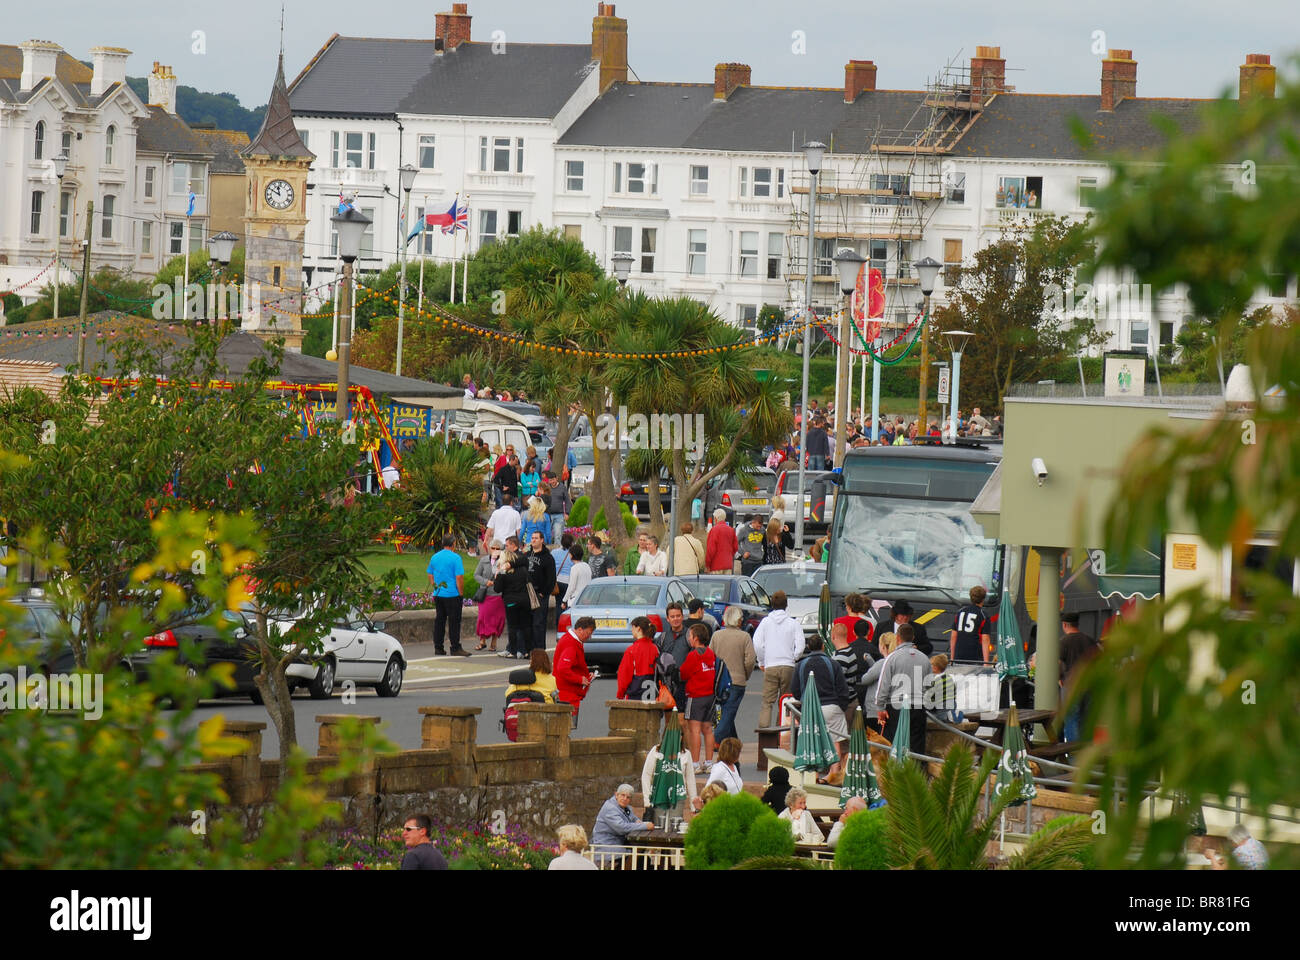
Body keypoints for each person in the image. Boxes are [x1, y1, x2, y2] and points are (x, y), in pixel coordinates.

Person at [794, 634, 853, 783]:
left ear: (808, 647)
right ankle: (834, 773)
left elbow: (795, 689)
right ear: (823, 646)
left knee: (812, 739)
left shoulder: (800, 665)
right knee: (835, 740)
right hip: (832, 706)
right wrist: (842, 705)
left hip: (810, 707)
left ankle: (813, 775)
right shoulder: (832, 663)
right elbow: (842, 687)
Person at [874, 623, 931, 756]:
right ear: (913, 638)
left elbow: (883, 684)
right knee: (917, 745)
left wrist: (880, 708)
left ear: (898, 638)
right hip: (918, 705)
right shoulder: (924, 659)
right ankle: (917, 772)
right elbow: (929, 685)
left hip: (896, 706)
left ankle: (895, 773)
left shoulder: (892, 658)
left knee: (896, 743)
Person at [753, 590, 805, 728]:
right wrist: (794, 657)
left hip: (770, 665)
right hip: (788, 665)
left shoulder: (765, 623)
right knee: (786, 701)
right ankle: (782, 730)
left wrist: (762, 661)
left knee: (767, 702)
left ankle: (764, 731)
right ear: (786, 605)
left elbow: (757, 643)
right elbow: (801, 645)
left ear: (772, 604)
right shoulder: (793, 623)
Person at [711, 605, 757, 745]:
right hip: (737, 681)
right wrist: (745, 675)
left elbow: (710, 657)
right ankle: (715, 741)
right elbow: (750, 660)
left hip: (719, 681)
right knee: (728, 715)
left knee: (726, 715)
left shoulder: (716, 635)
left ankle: (734, 748)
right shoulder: (744, 637)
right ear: (738, 620)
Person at [679, 623, 718, 773]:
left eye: (690, 636)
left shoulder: (693, 655)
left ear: (695, 638)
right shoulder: (710, 653)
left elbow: (684, 674)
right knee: (708, 729)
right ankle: (708, 762)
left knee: (694, 730)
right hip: (710, 695)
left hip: (695, 696)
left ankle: (695, 763)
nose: (689, 638)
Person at [1059, 612, 1101, 742]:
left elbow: (1058, 663)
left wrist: (1059, 679)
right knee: (1087, 720)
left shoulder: (1064, 641)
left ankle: (1073, 757)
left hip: (1071, 686)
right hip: (1090, 685)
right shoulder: (1089, 640)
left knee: (1072, 719)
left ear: (1065, 624)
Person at [640, 728, 702, 814]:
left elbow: (690, 780)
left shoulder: (686, 754)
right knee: (659, 824)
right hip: (658, 795)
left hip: (677, 797)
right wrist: (647, 800)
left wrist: (693, 806)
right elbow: (646, 775)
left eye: (680, 735)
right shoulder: (656, 751)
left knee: (675, 825)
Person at [427, 535, 470, 656]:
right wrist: (461, 593)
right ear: (453, 544)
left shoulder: (435, 556)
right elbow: (459, 577)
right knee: (454, 621)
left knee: (440, 620)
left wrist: (434, 585)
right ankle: (455, 647)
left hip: (439, 593)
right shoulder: (456, 558)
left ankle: (438, 646)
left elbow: (430, 573)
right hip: (452, 594)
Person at [591, 784, 655, 858]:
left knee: (641, 856)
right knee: (637, 856)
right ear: (616, 795)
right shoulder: (610, 808)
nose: (625, 799)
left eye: (628, 797)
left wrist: (638, 822)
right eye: (623, 795)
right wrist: (645, 826)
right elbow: (622, 828)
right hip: (606, 847)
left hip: (619, 843)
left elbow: (633, 818)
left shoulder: (625, 807)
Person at [493, 547, 533, 660]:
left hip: (511, 601)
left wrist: (497, 576)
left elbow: (497, 589)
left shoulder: (503, 572)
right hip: (525, 601)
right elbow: (529, 580)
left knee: (513, 627)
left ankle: (513, 650)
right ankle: (527, 651)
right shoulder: (523, 570)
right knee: (526, 626)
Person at [554, 616, 595, 722]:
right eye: (588, 633)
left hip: (566, 691)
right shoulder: (571, 644)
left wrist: (584, 675)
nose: (589, 637)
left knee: (563, 726)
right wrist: (580, 679)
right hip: (567, 693)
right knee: (564, 726)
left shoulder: (571, 640)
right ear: (580, 629)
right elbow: (563, 669)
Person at [617, 617, 661, 701]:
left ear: (638, 629)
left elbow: (624, 674)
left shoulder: (631, 650)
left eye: (632, 628)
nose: (631, 630)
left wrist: (620, 693)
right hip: (652, 692)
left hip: (635, 692)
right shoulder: (655, 648)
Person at [473, 541, 506, 652]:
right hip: (485, 594)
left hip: (498, 595)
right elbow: (476, 575)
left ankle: (494, 642)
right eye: (493, 547)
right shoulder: (484, 560)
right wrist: (485, 581)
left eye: (498, 548)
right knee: (483, 617)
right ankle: (482, 641)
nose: (495, 550)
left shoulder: (504, 562)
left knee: (497, 619)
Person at [526, 530, 556, 653]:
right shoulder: (527, 555)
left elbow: (551, 578)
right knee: (528, 623)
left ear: (542, 540)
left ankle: (539, 651)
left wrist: (544, 592)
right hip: (527, 592)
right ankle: (529, 649)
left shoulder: (548, 558)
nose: (533, 540)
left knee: (539, 623)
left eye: (536, 538)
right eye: (532, 538)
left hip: (539, 594)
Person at [656, 603, 691, 704]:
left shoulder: (690, 635)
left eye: (678, 616)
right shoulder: (662, 638)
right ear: (667, 619)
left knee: (682, 718)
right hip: (666, 684)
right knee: (669, 718)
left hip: (684, 685)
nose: (675, 619)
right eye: (672, 616)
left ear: (682, 617)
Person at [950, 585, 992, 664]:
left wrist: (952, 659)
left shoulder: (960, 612)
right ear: (983, 599)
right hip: (975, 657)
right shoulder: (983, 616)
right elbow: (985, 640)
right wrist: (986, 662)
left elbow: (953, 636)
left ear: (971, 597)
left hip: (958, 656)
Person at [705, 508, 738, 574]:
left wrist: (707, 564)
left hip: (716, 565)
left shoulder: (714, 530)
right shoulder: (731, 530)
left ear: (716, 518)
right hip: (728, 564)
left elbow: (711, 550)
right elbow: (735, 547)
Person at [563, 542, 591, 613]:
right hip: (586, 599)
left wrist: (564, 600)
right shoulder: (587, 565)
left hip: (576, 600)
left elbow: (571, 587)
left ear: (572, 555)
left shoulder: (574, 568)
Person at [544, 471, 570, 544]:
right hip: (548, 515)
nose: (552, 482)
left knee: (558, 535)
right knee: (547, 535)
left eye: (553, 480)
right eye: (550, 480)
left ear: (556, 478)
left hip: (559, 515)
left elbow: (567, 500)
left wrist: (567, 513)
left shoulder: (562, 487)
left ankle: (556, 552)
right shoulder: (547, 488)